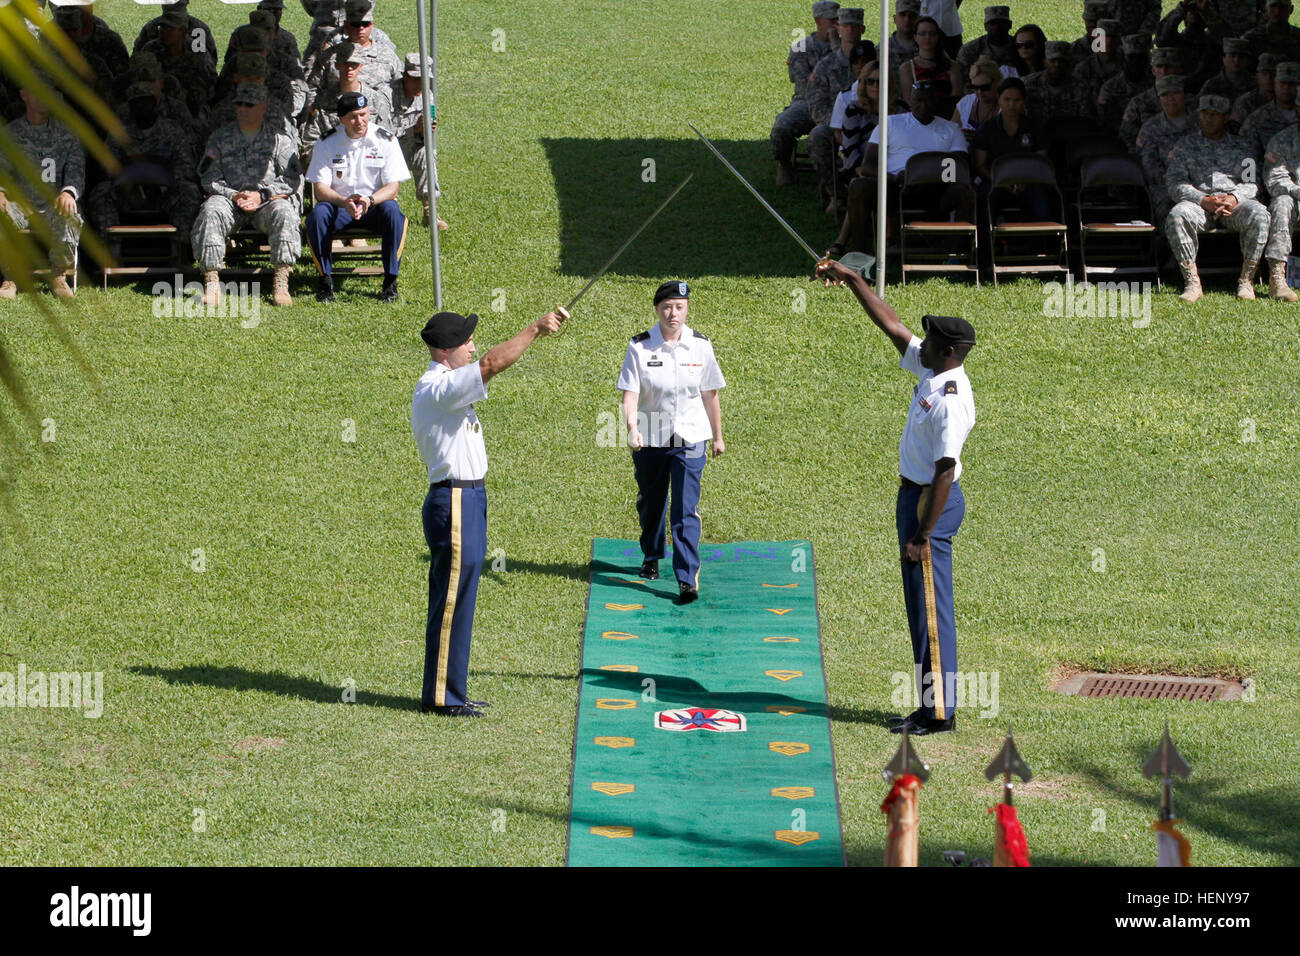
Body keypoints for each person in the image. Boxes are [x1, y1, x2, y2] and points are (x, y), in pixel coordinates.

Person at [813, 258, 976, 736]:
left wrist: (924, 532)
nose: (918, 342)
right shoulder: (932, 372)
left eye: (929, 339)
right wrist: (853, 281)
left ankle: (940, 712)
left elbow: (945, 471)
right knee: (919, 608)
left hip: (932, 504)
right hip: (916, 499)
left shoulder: (949, 397)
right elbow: (892, 327)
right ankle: (928, 706)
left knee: (931, 608)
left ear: (947, 350)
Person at [412, 306, 568, 716]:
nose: (472, 345)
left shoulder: (446, 384)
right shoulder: (438, 387)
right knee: (452, 601)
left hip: (468, 498)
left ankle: (452, 690)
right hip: (455, 499)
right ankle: (443, 697)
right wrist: (535, 328)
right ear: (446, 350)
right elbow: (491, 363)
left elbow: (483, 361)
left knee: (460, 600)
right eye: (465, 340)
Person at [617, 281, 726, 605]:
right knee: (651, 505)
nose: (673, 313)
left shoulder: (701, 346)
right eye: (666, 307)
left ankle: (686, 579)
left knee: (684, 508)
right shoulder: (639, 347)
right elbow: (630, 394)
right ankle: (651, 556)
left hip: (690, 437)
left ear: (687, 308)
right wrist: (631, 428)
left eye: (679, 307)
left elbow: (710, 394)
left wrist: (718, 436)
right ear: (657, 309)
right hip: (650, 438)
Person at [192, 84, 302, 308]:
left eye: (249, 105)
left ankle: (281, 281)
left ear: (262, 107)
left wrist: (262, 195)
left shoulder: (280, 140)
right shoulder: (219, 138)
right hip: (231, 201)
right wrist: (234, 195)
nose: (242, 109)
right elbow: (208, 177)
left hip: (265, 202)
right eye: (239, 104)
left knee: (284, 211)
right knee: (210, 210)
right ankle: (212, 282)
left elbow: (292, 179)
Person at [305, 90, 411, 303]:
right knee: (317, 215)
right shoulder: (327, 143)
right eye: (353, 117)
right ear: (341, 119)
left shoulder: (385, 140)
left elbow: (392, 188)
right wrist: (343, 202)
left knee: (394, 212)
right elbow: (320, 189)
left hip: (374, 205)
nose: (359, 121)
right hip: (340, 206)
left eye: (363, 114)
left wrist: (369, 200)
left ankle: (390, 281)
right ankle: (325, 281)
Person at [1164, 94, 1268, 301]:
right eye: (1205, 114)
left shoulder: (1243, 147)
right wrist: (1203, 200)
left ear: (1226, 117)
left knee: (1260, 214)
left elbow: (1252, 183)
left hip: (1234, 205)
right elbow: (1175, 183)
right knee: (1177, 215)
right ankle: (1192, 282)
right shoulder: (1185, 146)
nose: (1209, 119)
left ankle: (1246, 281)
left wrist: (1233, 198)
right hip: (1200, 204)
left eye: (1215, 115)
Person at [0, 77, 84, 299]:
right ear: (24, 95)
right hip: (19, 205)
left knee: (70, 214)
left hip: (51, 207)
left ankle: (59, 275)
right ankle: (10, 277)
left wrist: (68, 192)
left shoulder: (67, 134)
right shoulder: (10, 134)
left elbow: (76, 171)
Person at [808, 8, 872, 213]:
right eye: (846, 25)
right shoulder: (826, 65)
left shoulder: (876, 61)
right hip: (837, 126)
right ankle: (835, 194)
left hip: (874, 126)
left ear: (862, 28)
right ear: (838, 28)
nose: (851, 30)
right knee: (818, 136)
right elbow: (818, 107)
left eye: (855, 26)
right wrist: (843, 128)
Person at [771, 1, 840, 187]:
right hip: (806, 104)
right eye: (832, 20)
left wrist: (836, 47)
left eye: (838, 20)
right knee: (782, 127)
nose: (837, 25)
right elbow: (803, 84)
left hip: (837, 103)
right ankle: (784, 164)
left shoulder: (844, 47)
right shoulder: (801, 47)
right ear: (818, 21)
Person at [391, 53, 446, 229]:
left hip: (411, 148)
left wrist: (425, 131)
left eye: (423, 80)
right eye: (415, 79)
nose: (419, 85)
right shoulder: (388, 94)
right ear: (405, 75)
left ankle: (430, 210)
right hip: (389, 150)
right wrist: (412, 129)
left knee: (426, 153)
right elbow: (382, 133)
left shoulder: (427, 96)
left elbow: (424, 135)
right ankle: (390, 211)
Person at [1136, 75, 1196, 223]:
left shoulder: (1201, 123)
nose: (1171, 98)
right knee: (1169, 212)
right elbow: (1149, 166)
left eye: (1175, 93)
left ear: (1184, 96)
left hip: (1200, 185)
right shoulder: (1151, 128)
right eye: (1165, 95)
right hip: (1165, 188)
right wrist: (1175, 183)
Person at [1261, 118, 1300, 299]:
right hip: (1296, 200)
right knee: (1282, 202)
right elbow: (1275, 180)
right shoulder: (1282, 140)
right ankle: (1277, 278)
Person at [898, 16, 963, 115]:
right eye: (923, 34)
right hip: (919, 119)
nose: (927, 37)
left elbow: (957, 101)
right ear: (915, 37)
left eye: (932, 33)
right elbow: (909, 102)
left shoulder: (952, 66)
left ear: (937, 36)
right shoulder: (907, 68)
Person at [952, 56, 1002, 144]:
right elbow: (950, 132)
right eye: (974, 87)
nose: (979, 92)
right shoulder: (965, 102)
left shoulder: (1007, 104)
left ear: (997, 82)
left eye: (985, 87)